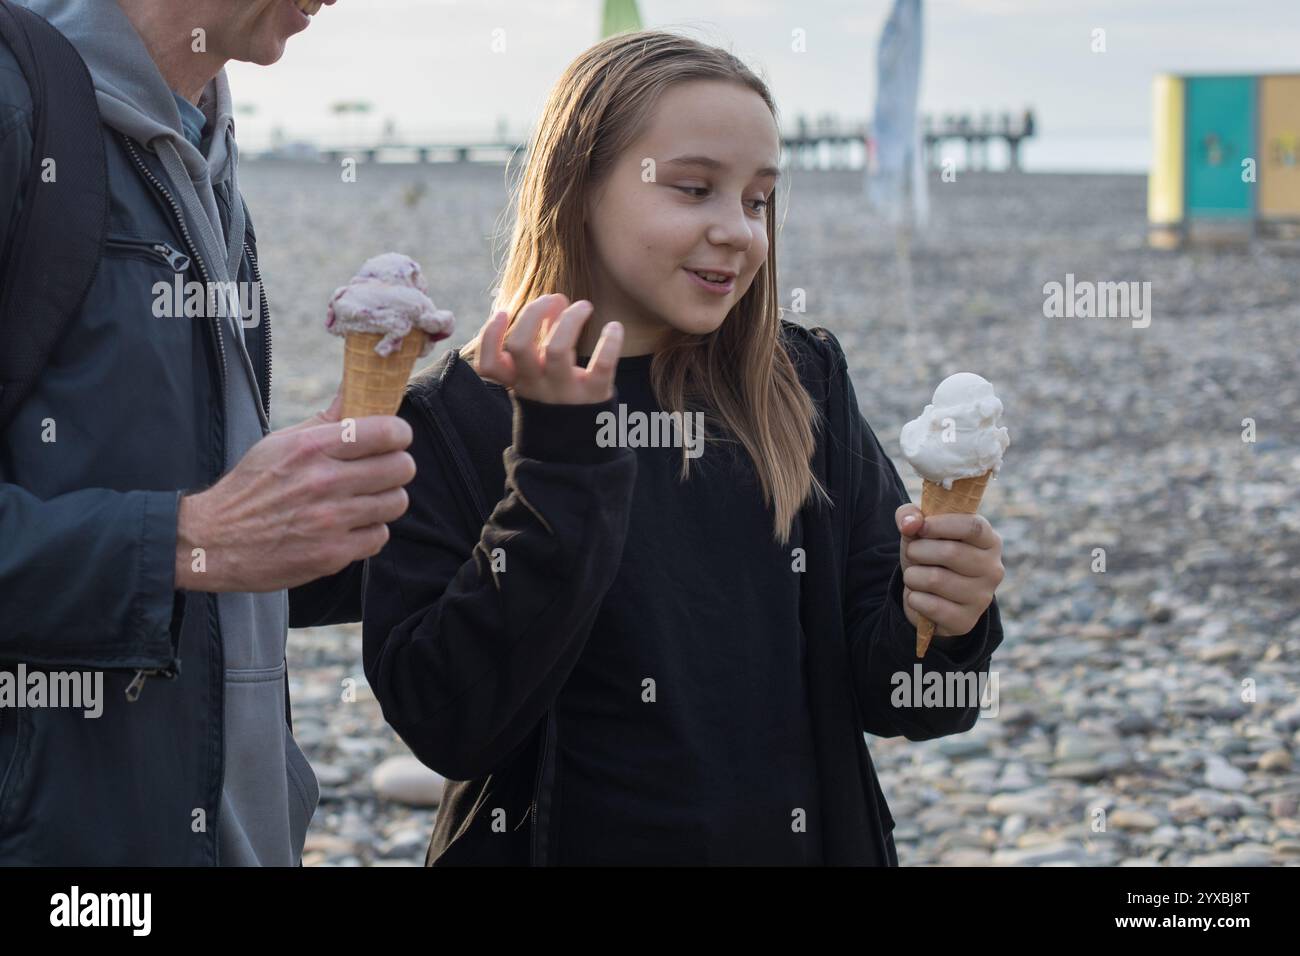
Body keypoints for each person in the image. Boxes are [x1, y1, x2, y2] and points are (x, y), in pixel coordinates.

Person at [362, 30, 1006, 866]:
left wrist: (948, 624)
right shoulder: (460, 416)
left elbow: (908, 700)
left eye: (758, 199)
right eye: (696, 189)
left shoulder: (799, 386)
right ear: (579, 185)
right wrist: (559, 467)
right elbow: (448, 721)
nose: (737, 229)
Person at [0, 0, 416, 865]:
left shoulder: (202, 135)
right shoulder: (19, 109)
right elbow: (197, 536)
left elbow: (196, 521)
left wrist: (313, 502)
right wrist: (192, 540)